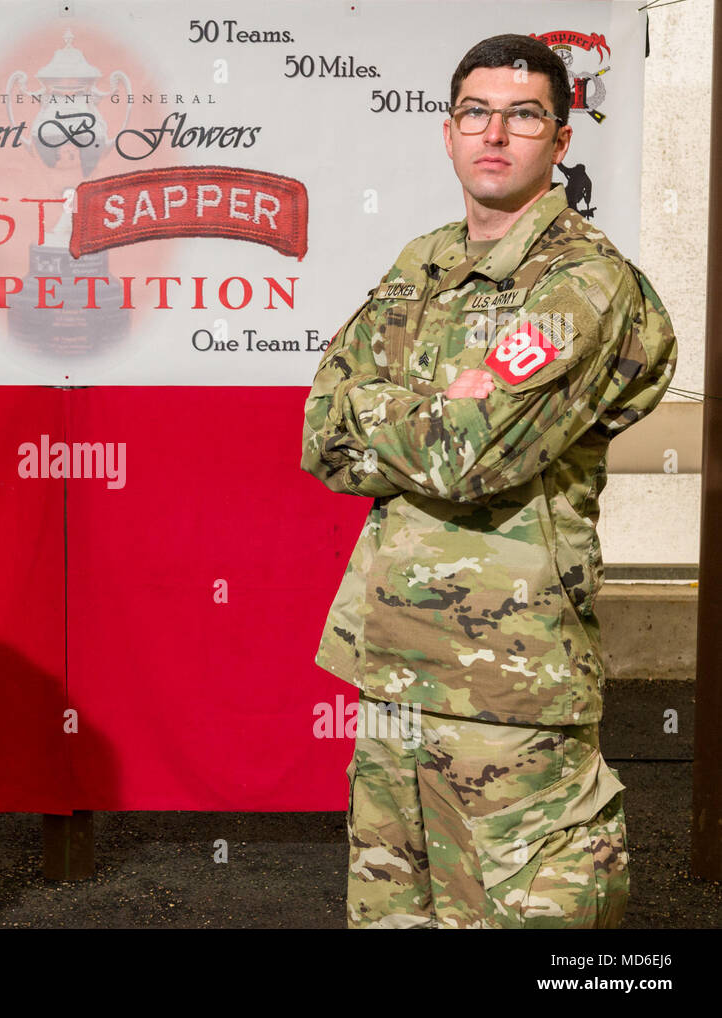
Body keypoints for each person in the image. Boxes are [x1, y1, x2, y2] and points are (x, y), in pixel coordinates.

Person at [301, 34, 677, 928]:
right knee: (396, 917)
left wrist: (394, 408)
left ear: (562, 137)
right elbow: (320, 433)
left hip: (512, 685)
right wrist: (436, 404)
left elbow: (468, 461)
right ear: (448, 131)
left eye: (523, 115)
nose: (495, 134)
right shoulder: (421, 265)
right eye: (477, 113)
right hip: (390, 665)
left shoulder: (584, 283)